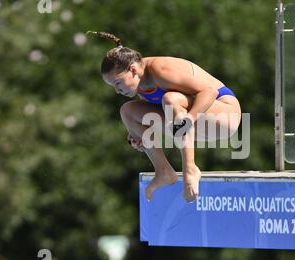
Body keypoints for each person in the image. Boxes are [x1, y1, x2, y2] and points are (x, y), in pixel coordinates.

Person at [88, 31, 241, 202]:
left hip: (225, 115)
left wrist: (189, 118)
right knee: (128, 112)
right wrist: (138, 134)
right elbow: (159, 115)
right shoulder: (138, 83)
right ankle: (164, 172)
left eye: (117, 83)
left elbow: (209, 91)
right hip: (195, 123)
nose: (117, 90)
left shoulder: (160, 70)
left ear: (132, 69)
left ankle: (190, 168)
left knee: (171, 99)